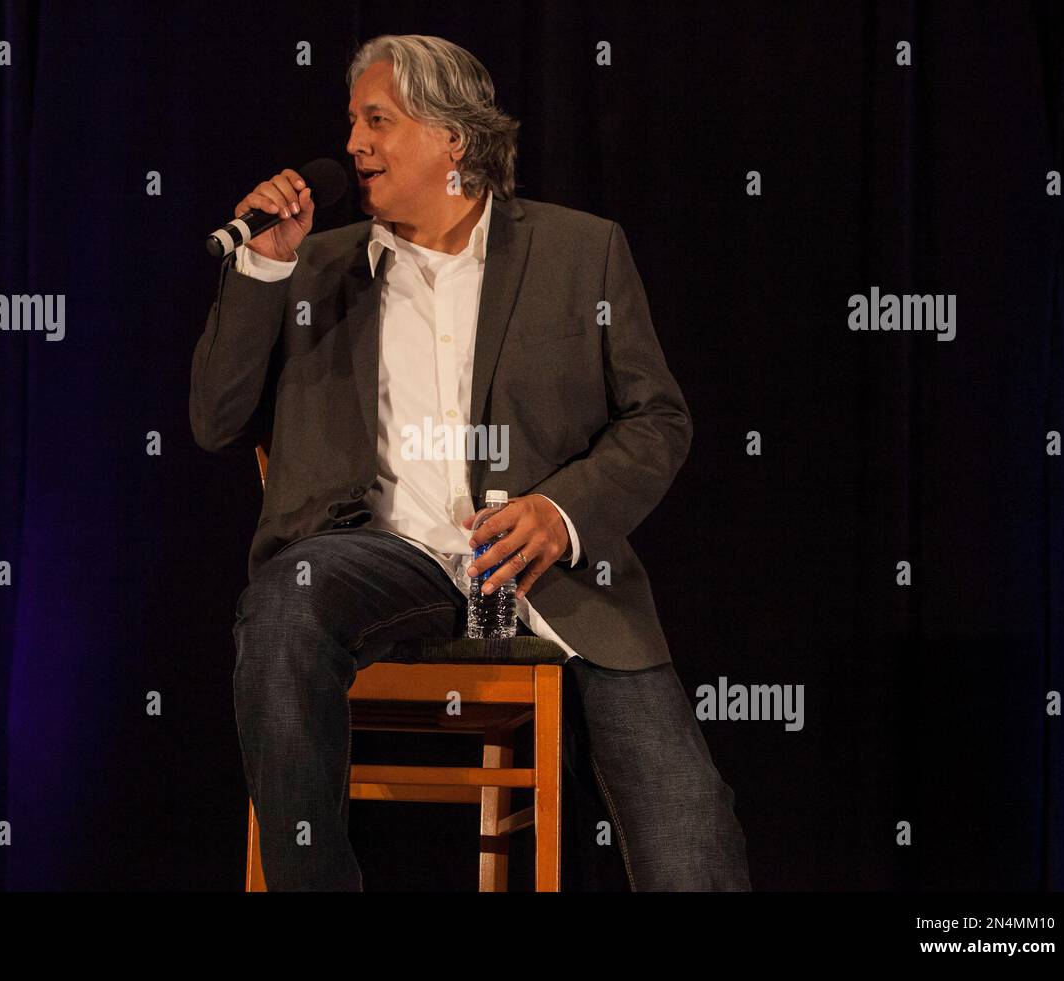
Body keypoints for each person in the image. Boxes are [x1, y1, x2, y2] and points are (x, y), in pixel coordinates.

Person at [190, 33, 750, 891]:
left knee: (689, 825)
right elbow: (215, 421)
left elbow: (658, 420)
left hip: (551, 578)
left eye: (378, 120)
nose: (353, 144)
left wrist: (560, 512)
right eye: (352, 121)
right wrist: (262, 271)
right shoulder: (312, 269)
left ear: (453, 138)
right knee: (282, 610)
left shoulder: (581, 251)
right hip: (383, 561)